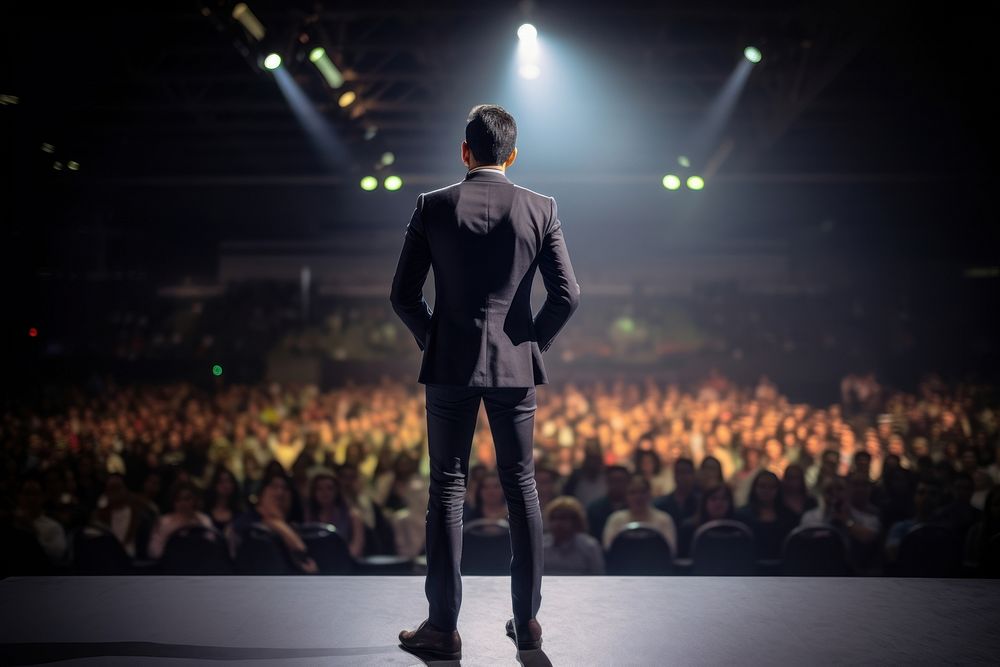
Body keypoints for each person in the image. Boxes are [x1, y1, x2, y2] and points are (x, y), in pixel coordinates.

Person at [394, 103, 580, 660]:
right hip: (514, 370)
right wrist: (530, 343)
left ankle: (442, 628)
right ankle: (527, 624)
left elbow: (402, 295)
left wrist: (436, 339)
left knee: (447, 489)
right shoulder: (540, 208)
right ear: (513, 154)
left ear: (464, 150)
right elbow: (568, 296)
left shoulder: (432, 206)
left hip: (450, 367)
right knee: (521, 488)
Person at [602, 475, 677, 556]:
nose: (638, 497)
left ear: (650, 494)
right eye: (633, 492)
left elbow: (670, 551)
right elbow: (609, 549)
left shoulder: (664, 519)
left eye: (643, 492)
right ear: (626, 495)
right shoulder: (615, 519)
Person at [147, 479, 214, 560]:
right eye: (178, 499)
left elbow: (211, 548)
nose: (183, 503)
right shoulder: (163, 522)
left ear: (195, 500)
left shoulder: (204, 520)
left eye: (187, 499)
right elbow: (154, 552)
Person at [542, 496, 605, 575]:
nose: (557, 523)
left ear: (576, 521)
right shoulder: (541, 546)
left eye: (563, 518)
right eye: (553, 518)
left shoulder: (590, 547)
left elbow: (598, 577)